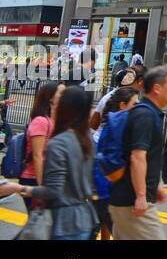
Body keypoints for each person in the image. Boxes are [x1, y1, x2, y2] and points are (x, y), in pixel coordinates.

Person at [5, 86, 98, 240]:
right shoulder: (87, 141)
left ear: (64, 108)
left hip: (63, 224)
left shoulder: (59, 143)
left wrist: (19, 188)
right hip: (85, 219)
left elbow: (54, 190)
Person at [109, 66, 167, 240]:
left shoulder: (148, 113)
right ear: (157, 88)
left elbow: (147, 156)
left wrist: (156, 186)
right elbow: (137, 157)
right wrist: (141, 196)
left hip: (125, 200)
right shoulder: (145, 116)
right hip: (133, 202)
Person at [92, 86, 139, 240]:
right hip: (106, 191)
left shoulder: (116, 125)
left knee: (100, 227)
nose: (137, 109)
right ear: (123, 106)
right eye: (134, 104)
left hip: (105, 191)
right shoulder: (115, 128)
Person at [15, 80, 61, 210]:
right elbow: (37, 155)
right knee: (38, 223)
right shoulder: (40, 121)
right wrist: (41, 187)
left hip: (43, 178)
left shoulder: (51, 120)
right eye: (60, 93)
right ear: (51, 97)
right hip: (33, 179)